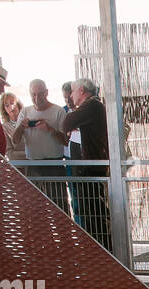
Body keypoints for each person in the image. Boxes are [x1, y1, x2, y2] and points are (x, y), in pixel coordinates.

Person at [61, 78, 111, 251]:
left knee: (92, 211)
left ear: (81, 90)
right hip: (85, 168)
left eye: (73, 92)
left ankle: (100, 251)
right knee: (88, 210)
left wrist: (73, 124)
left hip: (89, 168)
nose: (71, 96)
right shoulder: (91, 107)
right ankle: (97, 250)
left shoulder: (91, 106)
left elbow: (67, 122)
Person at [14, 79, 71, 215]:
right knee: (35, 210)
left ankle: (64, 236)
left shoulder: (58, 112)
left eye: (40, 94)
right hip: (33, 165)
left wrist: (50, 130)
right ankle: (43, 237)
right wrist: (22, 127)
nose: (36, 98)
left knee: (60, 209)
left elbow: (65, 141)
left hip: (54, 164)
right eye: (33, 94)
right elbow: (15, 140)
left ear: (46, 93)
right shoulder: (25, 112)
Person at [61, 81, 85, 228]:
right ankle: (79, 228)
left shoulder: (84, 112)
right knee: (74, 196)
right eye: (65, 98)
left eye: (70, 97)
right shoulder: (62, 112)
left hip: (84, 159)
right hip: (69, 158)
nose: (68, 101)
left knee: (86, 195)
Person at [0, 91, 27, 162]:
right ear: (4, 109)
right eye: (7, 105)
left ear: (18, 104)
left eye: (12, 103)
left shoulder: (28, 121)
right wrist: (31, 154)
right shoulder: (4, 128)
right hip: (19, 167)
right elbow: (10, 154)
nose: (11, 107)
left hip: (37, 165)